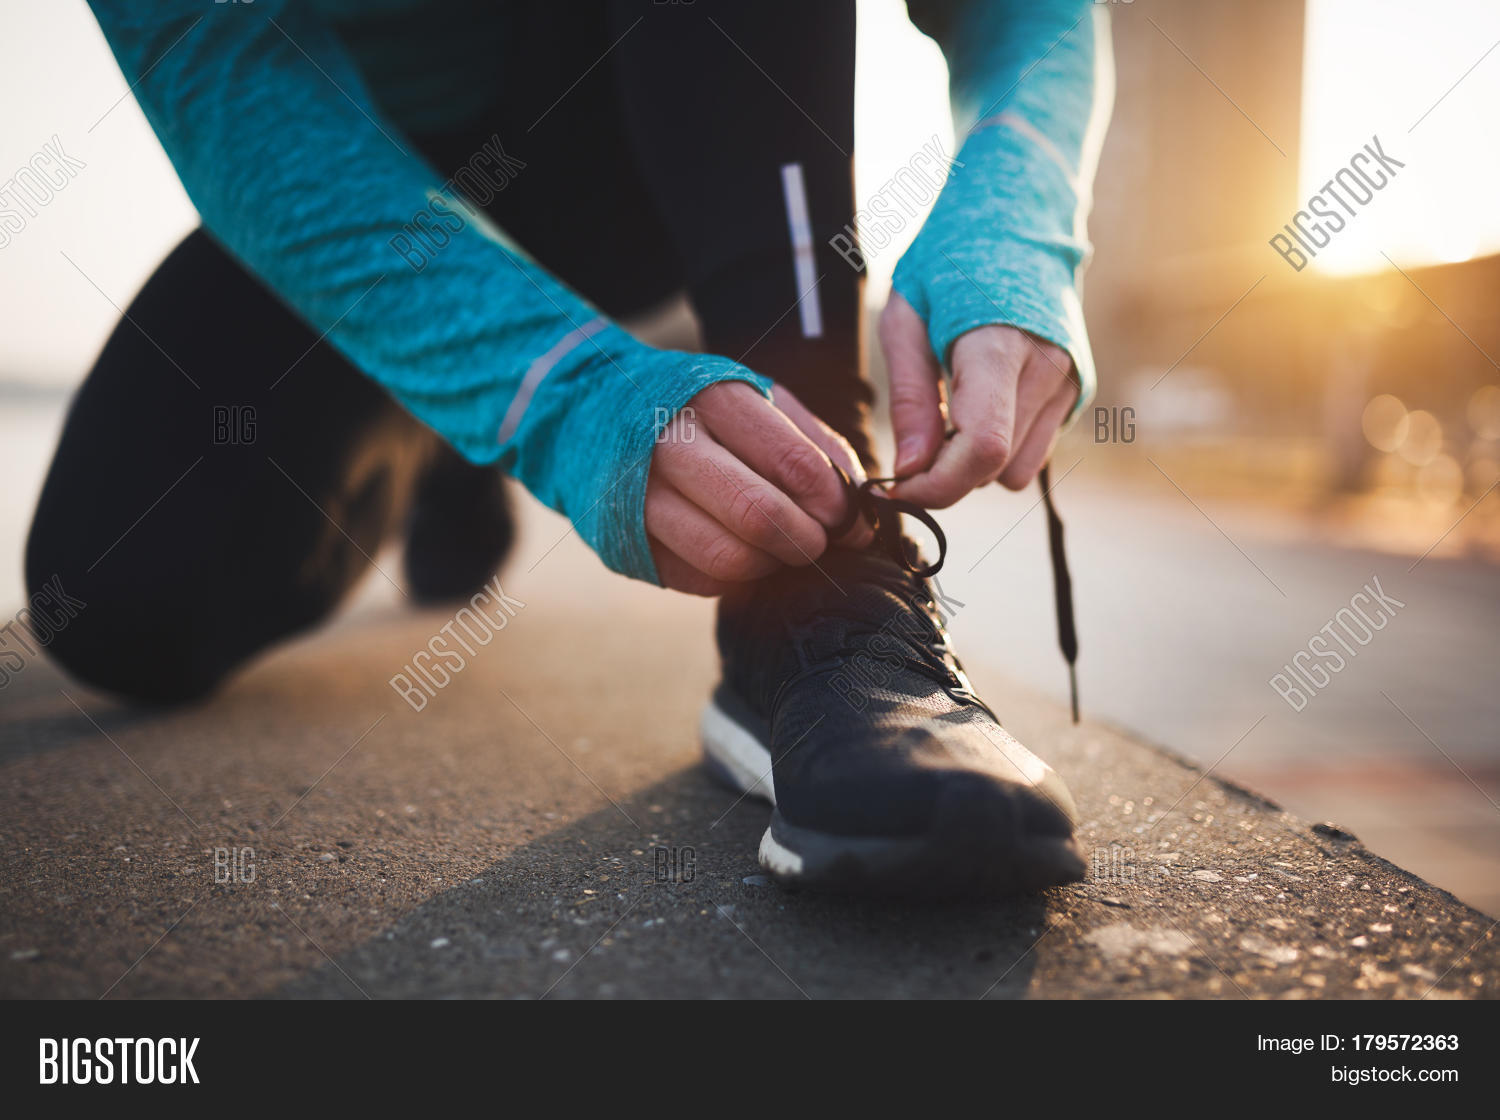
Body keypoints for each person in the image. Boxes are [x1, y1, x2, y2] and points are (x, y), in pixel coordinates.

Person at [29, 0, 1113, 896]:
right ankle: (450, 444)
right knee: (118, 601)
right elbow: (219, 69)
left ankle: (825, 585)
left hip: (640, 143)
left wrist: (1016, 206)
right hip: (360, 182)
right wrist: (560, 398)